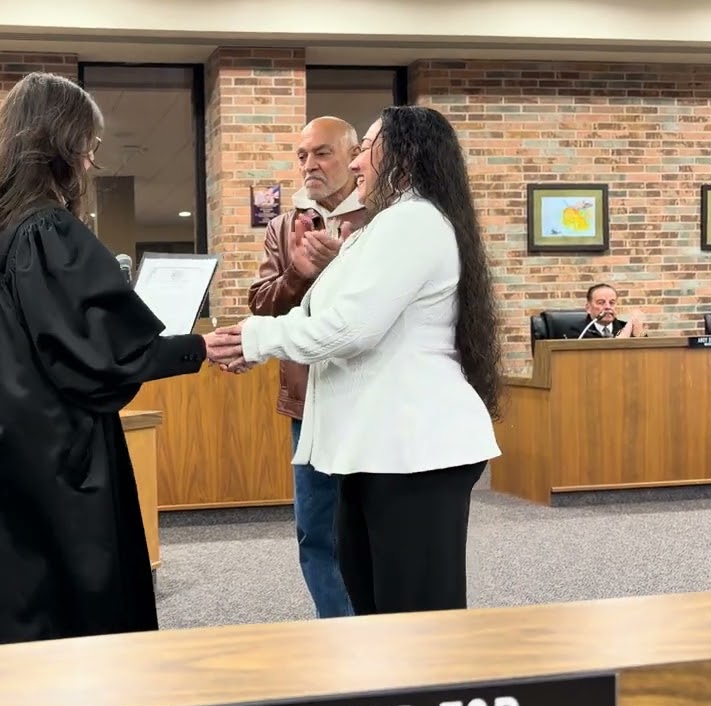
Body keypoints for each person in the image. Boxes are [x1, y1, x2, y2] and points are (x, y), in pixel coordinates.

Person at [0, 72, 216, 648]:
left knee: (12, 595)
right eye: (88, 145)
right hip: (53, 456)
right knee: (74, 606)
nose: (91, 163)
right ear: (60, 143)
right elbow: (99, 355)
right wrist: (198, 347)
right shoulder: (46, 229)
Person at [207, 106, 503, 616]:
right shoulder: (386, 225)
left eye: (366, 147)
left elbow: (351, 328)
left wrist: (257, 340)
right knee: (371, 608)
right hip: (378, 449)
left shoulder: (413, 222)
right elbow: (330, 314)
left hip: (414, 451)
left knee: (414, 618)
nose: (359, 161)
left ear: (403, 156)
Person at [247, 116, 366, 620]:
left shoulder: (381, 218)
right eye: (302, 155)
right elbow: (262, 304)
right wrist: (299, 272)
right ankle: (339, 630)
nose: (309, 165)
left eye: (322, 153)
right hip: (306, 400)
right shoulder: (282, 225)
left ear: (353, 156)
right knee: (316, 530)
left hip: (368, 395)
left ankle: (381, 630)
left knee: (366, 525)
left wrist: (341, 266)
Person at [566, 283, 646, 339]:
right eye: (601, 303)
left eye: (612, 303)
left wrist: (639, 336)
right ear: (588, 308)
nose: (608, 307)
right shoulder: (578, 331)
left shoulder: (625, 328)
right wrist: (622, 339)